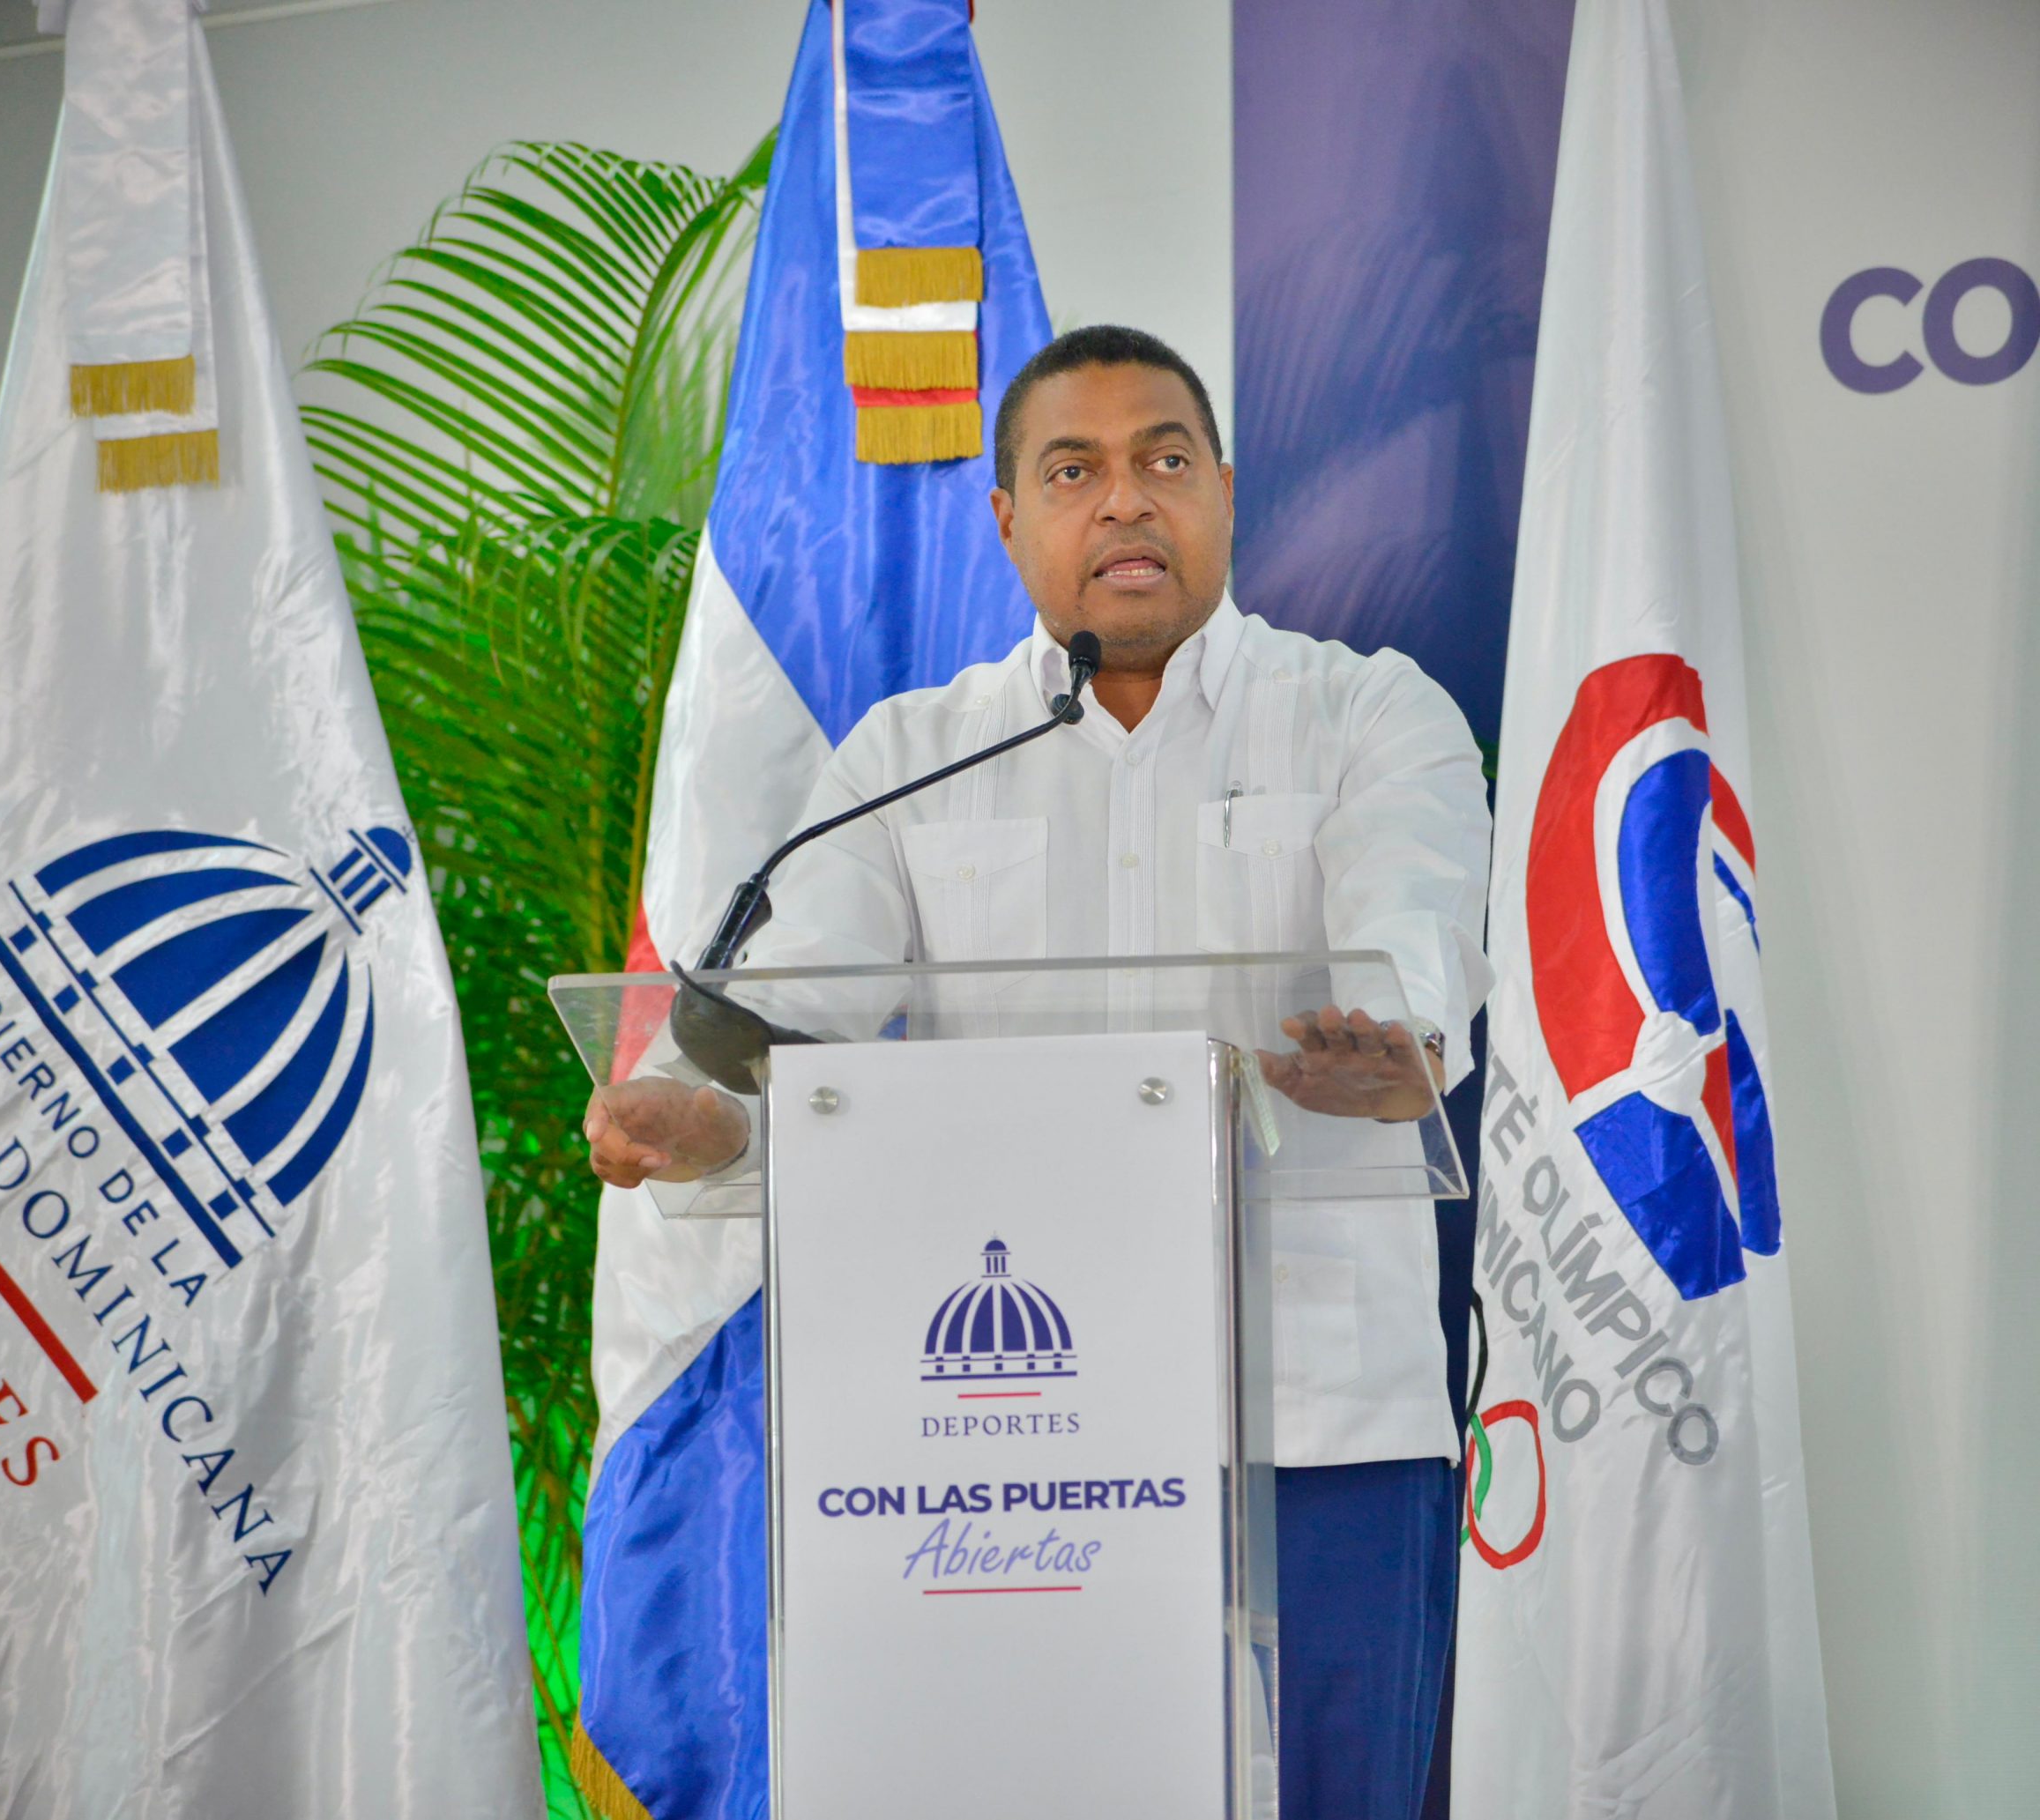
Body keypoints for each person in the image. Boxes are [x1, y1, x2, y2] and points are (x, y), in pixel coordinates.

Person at [584, 324, 1492, 1820]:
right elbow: (786, 1020)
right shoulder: (909, 753)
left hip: (1322, 1427)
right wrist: (716, 1120)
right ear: (1008, 516)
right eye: (1075, 469)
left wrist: (1395, 1037)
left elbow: (1409, 921)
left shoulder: (1370, 713)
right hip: (1008, 1450)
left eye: (1164, 461)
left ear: (1226, 497)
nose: (1125, 500)